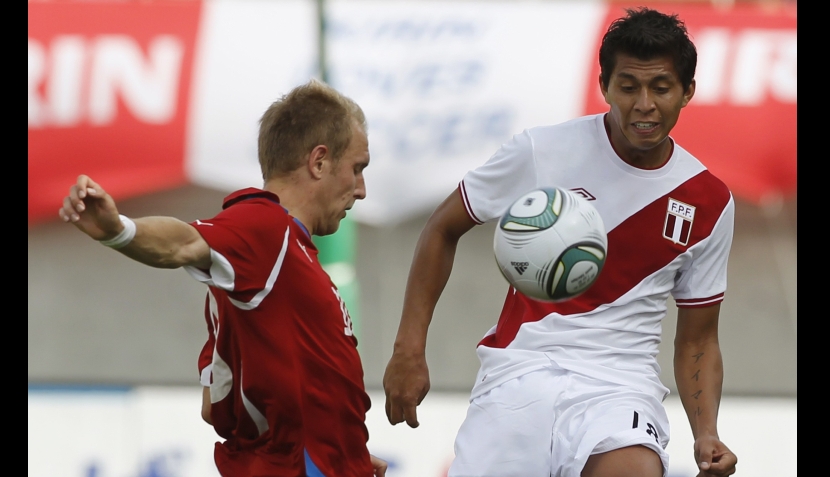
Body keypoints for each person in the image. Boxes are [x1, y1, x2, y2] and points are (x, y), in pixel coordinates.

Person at [383, 8, 738, 477]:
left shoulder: (709, 200)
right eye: (628, 86)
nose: (644, 104)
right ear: (605, 86)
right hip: (519, 371)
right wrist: (408, 349)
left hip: (620, 385)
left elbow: (698, 339)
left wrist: (706, 432)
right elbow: (442, 228)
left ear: (688, 91)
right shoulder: (541, 150)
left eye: (661, 87)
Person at [59, 80, 387, 477]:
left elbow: (214, 403)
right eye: (357, 168)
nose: (362, 189)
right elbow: (183, 243)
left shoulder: (280, 264)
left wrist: (340, 445)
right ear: (319, 162)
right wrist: (120, 230)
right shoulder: (267, 227)